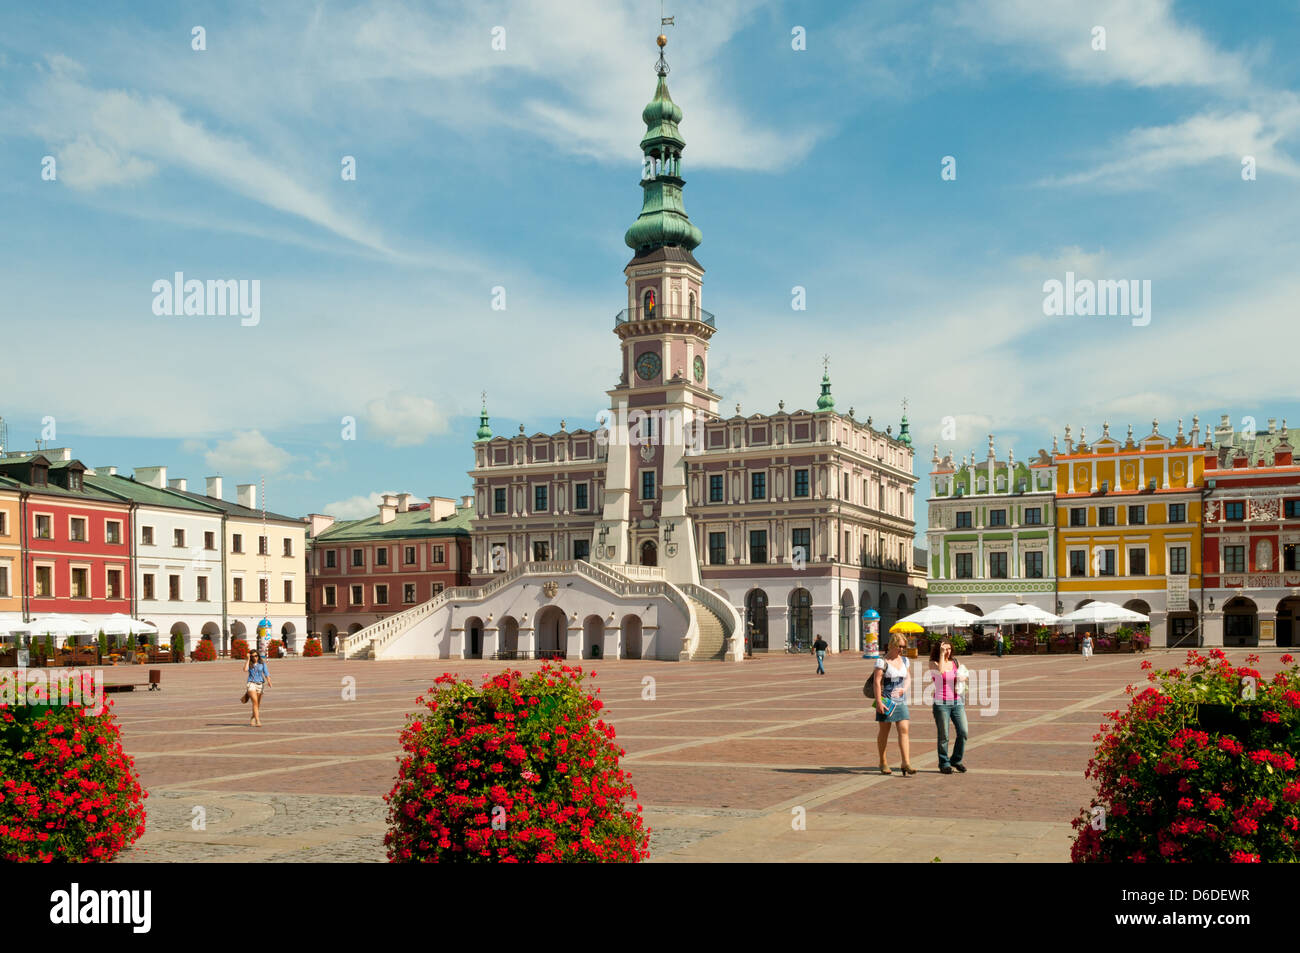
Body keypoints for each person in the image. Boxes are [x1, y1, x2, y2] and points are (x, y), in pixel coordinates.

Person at [873, 633, 914, 776]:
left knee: (904, 729)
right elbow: (877, 682)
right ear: (892, 645)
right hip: (886, 700)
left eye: (904, 646)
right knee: (884, 731)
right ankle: (883, 761)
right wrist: (878, 701)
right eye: (900, 646)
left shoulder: (905, 660)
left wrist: (905, 689)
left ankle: (906, 762)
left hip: (901, 700)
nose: (902, 649)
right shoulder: (881, 662)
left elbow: (908, 677)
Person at [929, 639, 969, 774]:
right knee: (944, 735)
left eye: (949, 648)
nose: (948, 651)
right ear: (939, 650)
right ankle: (944, 763)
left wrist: (963, 677)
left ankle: (956, 760)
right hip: (941, 703)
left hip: (957, 702)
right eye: (945, 649)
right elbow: (940, 672)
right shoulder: (933, 663)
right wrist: (941, 655)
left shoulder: (955, 662)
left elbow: (963, 675)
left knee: (963, 732)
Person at [243, 649, 272, 727]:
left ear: (258, 656)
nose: (254, 658)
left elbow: (266, 673)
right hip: (251, 684)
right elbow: (245, 670)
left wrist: (269, 681)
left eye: (256, 656)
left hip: (260, 685)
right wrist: (248, 659)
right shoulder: (249, 663)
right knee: (255, 702)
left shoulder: (262, 664)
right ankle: (258, 720)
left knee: (257, 704)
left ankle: (253, 717)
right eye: (252, 656)